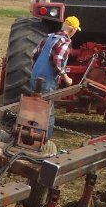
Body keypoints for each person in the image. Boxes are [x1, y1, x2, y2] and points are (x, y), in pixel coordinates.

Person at [27, 15, 81, 147]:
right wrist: (66, 78)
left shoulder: (48, 37)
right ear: (73, 29)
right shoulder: (65, 42)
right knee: (46, 112)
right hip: (47, 80)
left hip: (35, 77)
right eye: (75, 30)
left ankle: (28, 136)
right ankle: (42, 144)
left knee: (34, 107)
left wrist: (36, 69)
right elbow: (57, 60)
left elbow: (34, 54)